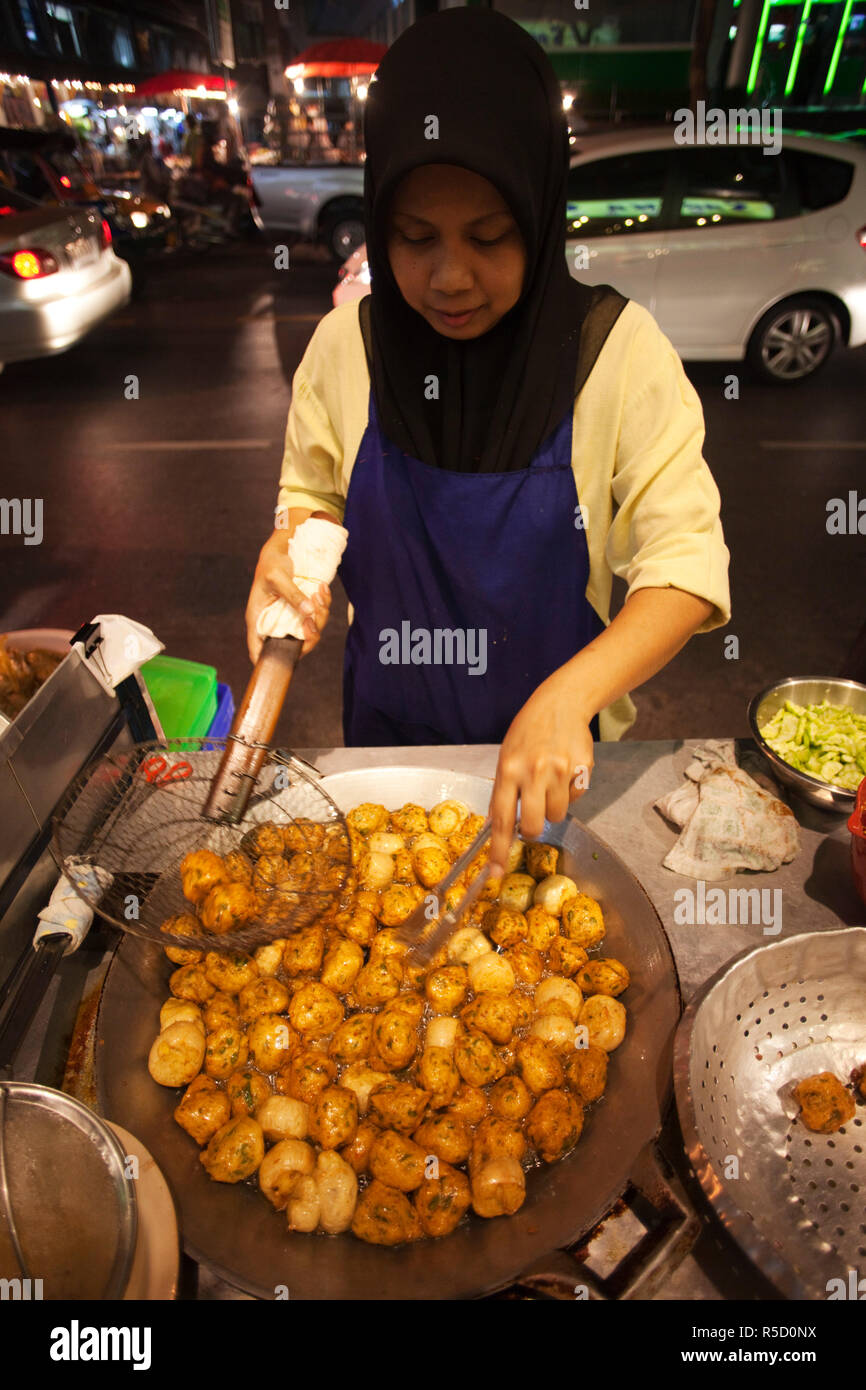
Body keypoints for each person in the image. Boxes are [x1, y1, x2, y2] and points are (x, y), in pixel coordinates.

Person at [245, 9, 731, 871]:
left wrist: (569, 695)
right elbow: (312, 497)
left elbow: (686, 571)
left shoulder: (617, 354)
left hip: (557, 770)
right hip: (385, 753)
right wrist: (284, 554)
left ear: (539, 215)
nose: (450, 277)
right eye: (414, 238)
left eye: (490, 236)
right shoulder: (346, 348)